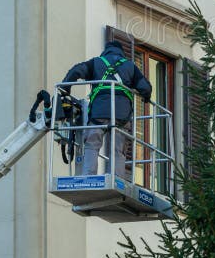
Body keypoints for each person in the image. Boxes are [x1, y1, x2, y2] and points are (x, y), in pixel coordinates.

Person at [61, 40, 152, 178]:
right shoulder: (130, 66)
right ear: (121, 52)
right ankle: (116, 179)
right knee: (118, 150)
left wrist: (65, 88)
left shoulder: (96, 62)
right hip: (121, 115)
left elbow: (76, 71)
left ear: (106, 51)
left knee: (92, 144)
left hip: (99, 113)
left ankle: (88, 176)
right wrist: (146, 97)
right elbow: (145, 87)